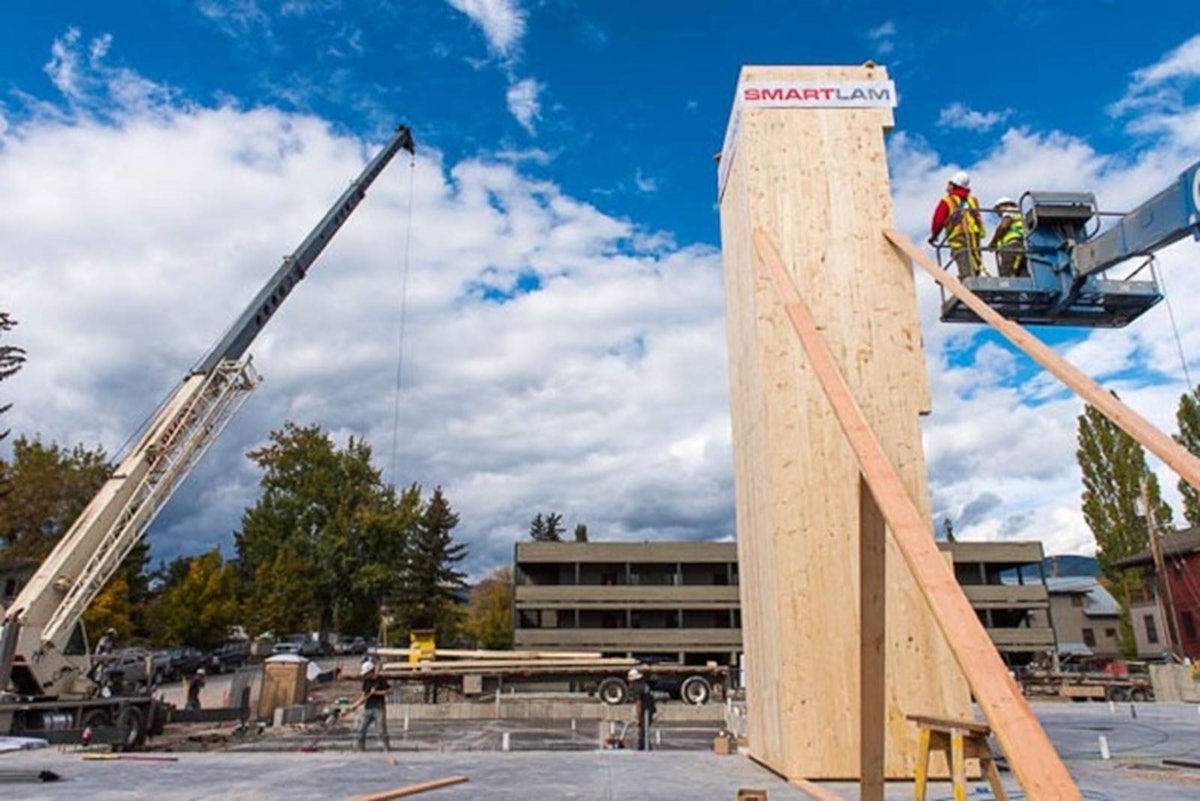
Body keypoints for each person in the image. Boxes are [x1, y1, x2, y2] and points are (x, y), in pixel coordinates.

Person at [930, 170, 986, 279]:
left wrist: (934, 236)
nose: (947, 187)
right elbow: (978, 217)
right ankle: (975, 279)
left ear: (953, 185)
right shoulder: (973, 200)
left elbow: (938, 220)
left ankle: (968, 284)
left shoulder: (947, 201)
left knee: (963, 257)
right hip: (974, 234)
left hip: (958, 235)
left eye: (949, 184)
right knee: (975, 257)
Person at [352, 659, 391, 751]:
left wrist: (376, 692)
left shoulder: (380, 680)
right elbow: (364, 695)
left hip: (379, 708)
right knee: (362, 728)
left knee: (381, 729)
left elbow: (388, 691)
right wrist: (356, 704)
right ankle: (360, 747)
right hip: (368, 708)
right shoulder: (366, 681)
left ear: (371, 671)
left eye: (367, 673)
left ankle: (386, 747)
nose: (365, 676)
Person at [989, 196, 1026, 277]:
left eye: (998, 209)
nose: (998, 213)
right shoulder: (1018, 214)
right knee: (1021, 275)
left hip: (1013, 247)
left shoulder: (1010, 210)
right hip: (1020, 246)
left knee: (1006, 276)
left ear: (1006, 205)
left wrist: (993, 241)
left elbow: (1003, 227)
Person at [628, 668, 656, 751]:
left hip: (645, 711)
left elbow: (638, 703)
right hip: (650, 709)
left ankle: (643, 748)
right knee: (645, 732)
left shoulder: (637, 688)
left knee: (642, 733)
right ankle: (646, 747)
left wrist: (638, 717)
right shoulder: (644, 685)